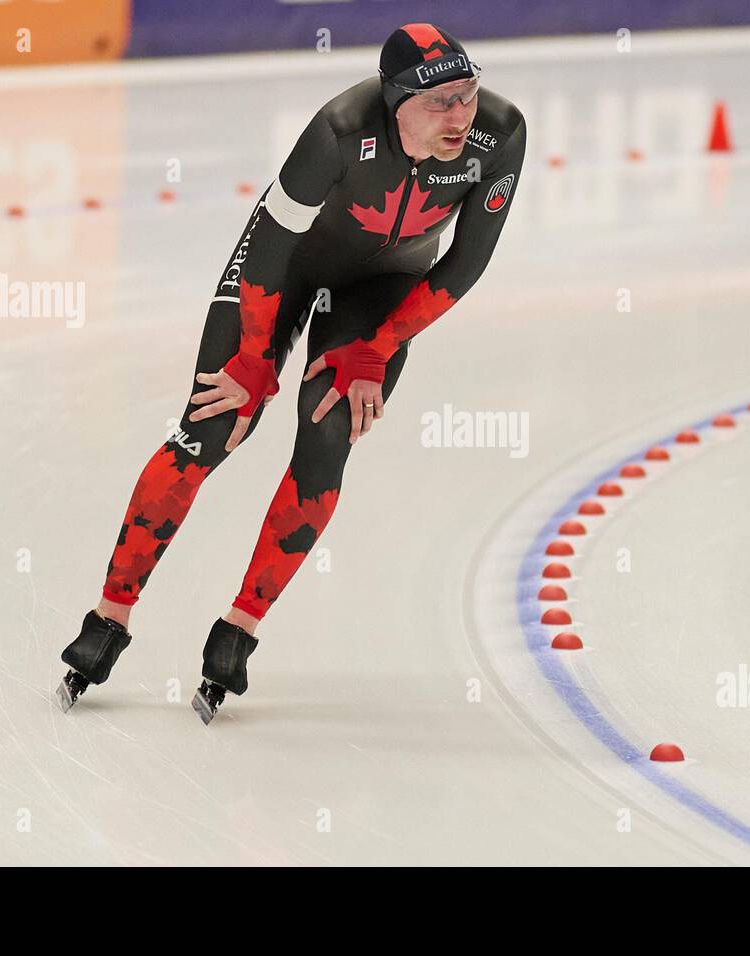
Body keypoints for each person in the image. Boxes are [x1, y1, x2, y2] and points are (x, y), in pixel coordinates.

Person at [57, 23, 527, 723]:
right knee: (213, 425)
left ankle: (239, 630)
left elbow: (466, 262)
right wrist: (251, 359)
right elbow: (272, 248)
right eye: (439, 102)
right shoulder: (337, 131)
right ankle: (110, 615)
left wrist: (382, 344)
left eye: (467, 94)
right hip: (284, 273)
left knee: (327, 432)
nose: (459, 115)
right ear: (395, 100)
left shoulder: (501, 133)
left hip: (382, 291)